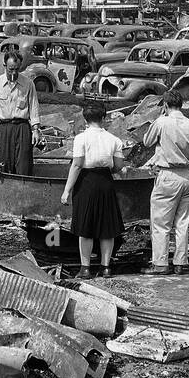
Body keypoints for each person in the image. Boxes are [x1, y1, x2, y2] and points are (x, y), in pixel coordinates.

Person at [142, 90, 189, 275]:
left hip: (168, 175)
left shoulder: (161, 122)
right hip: (187, 175)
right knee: (182, 223)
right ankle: (180, 263)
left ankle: (160, 263)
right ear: (182, 105)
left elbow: (146, 142)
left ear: (165, 106)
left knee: (161, 223)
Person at [59, 101, 125, 279]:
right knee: (107, 227)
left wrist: (67, 190)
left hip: (86, 182)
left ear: (85, 118)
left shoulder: (81, 138)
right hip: (105, 182)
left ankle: (85, 268)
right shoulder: (114, 140)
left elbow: (77, 165)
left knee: (85, 226)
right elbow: (118, 166)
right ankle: (105, 267)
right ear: (103, 118)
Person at [0, 52, 40, 176]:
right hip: (5, 129)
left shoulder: (28, 84)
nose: (14, 73)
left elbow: (34, 109)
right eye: (11, 69)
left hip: (23, 128)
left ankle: (23, 190)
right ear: (4, 66)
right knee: (5, 164)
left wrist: (35, 130)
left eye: (17, 69)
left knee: (24, 164)